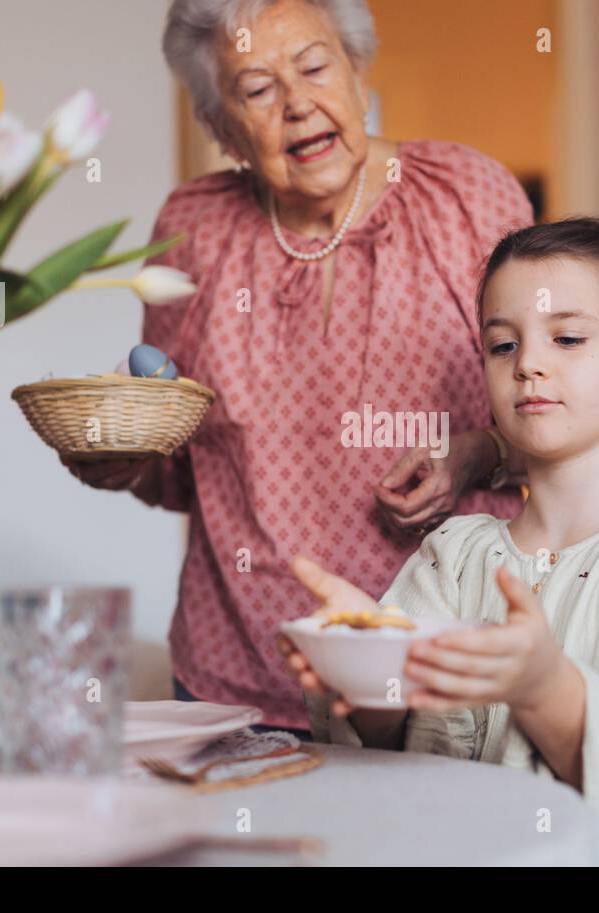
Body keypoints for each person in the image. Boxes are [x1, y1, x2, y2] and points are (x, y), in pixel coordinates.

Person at [61, 0, 552, 735]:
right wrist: (124, 455)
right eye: (257, 89)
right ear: (222, 128)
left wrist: (477, 453)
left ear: (355, 69)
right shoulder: (193, 230)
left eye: (315, 67)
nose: (297, 105)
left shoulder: (466, 196)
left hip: (443, 663)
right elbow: (178, 462)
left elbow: (561, 405)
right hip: (239, 678)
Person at [281, 217, 599, 865]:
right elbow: (387, 758)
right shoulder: (454, 555)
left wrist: (543, 687)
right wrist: (366, 669)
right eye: (503, 346)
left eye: (566, 338)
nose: (529, 364)